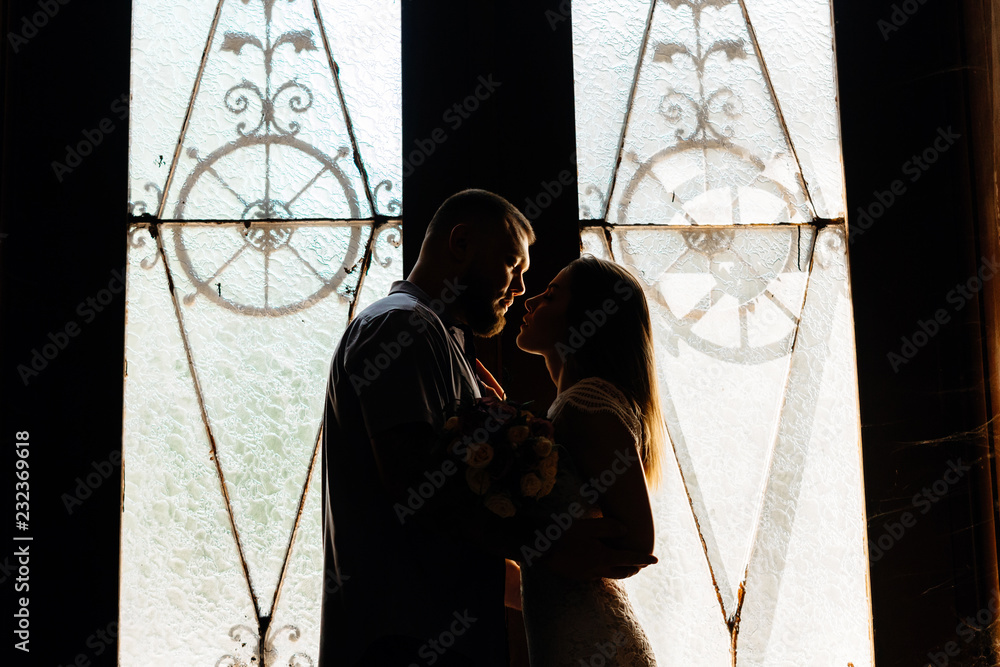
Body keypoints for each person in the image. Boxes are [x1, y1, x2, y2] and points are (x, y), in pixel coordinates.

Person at [319, 190, 657, 667]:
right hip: (404, 633)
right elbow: (412, 484)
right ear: (460, 243)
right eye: (511, 265)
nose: (520, 289)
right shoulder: (400, 328)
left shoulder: (439, 339)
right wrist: (548, 549)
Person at [514, 255, 665, 666]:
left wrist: (546, 547)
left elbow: (637, 544)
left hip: (586, 635)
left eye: (550, 296)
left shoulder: (586, 403)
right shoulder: (573, 403)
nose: (529, 303)